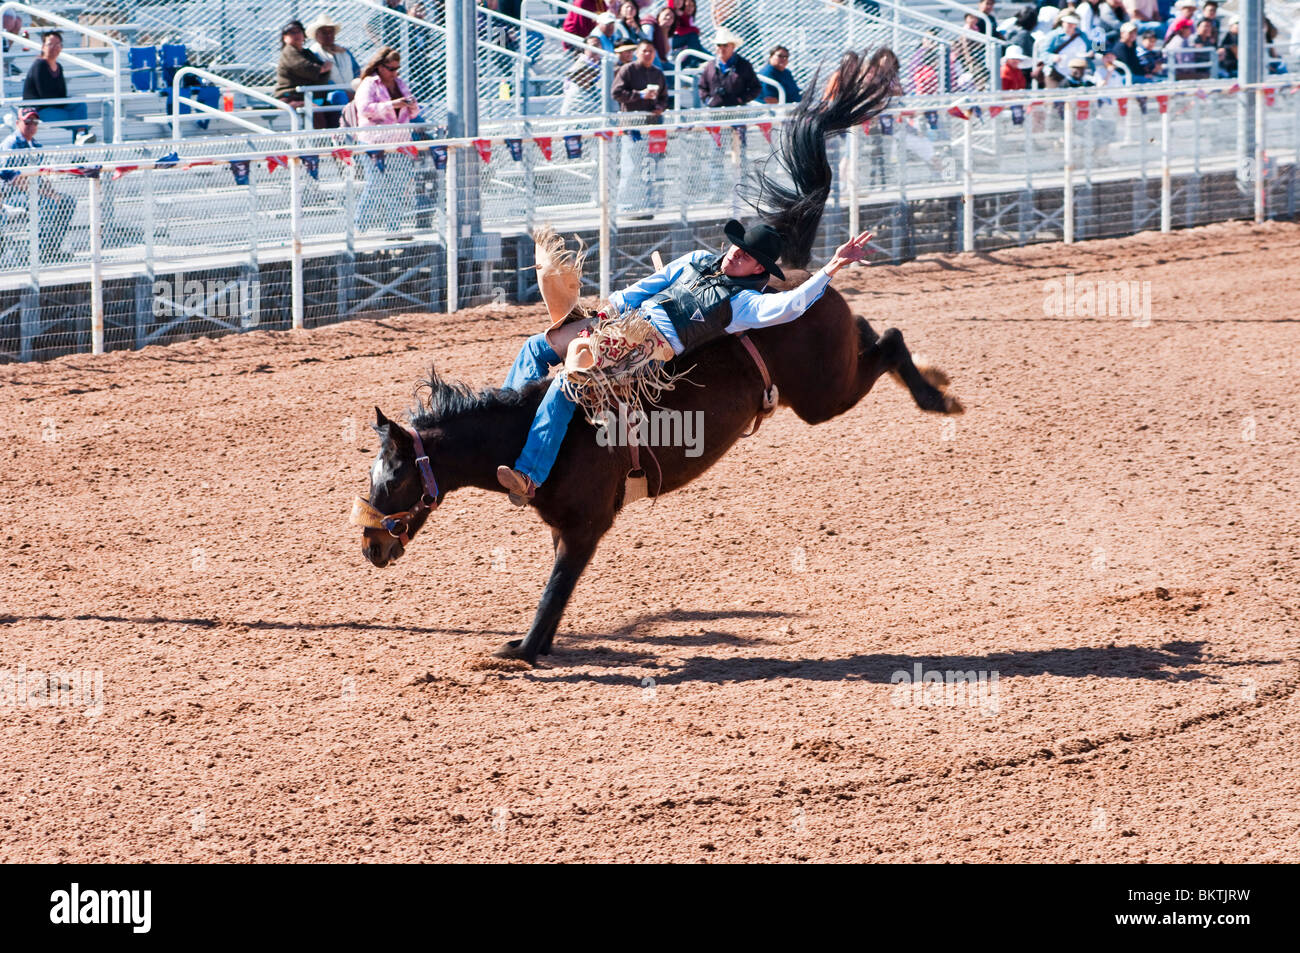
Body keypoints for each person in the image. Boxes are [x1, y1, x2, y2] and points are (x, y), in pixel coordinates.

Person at [495, 223, 878, 504]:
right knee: (535, 346)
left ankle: (530, 477)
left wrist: (832, 268)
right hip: (620, 321)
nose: (735, 253)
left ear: (759, 271)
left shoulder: (744, 305)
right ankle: (504, 418)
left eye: (746, 256)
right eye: (737, 247)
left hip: (650, 347)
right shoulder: (696, 260)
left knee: (570, 384)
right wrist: (610, 306)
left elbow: (790, 305)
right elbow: (651, 284)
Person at [352, 46, 421, 232]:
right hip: (374, 142)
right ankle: (360, 227)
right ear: (380, 67)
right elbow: (365, 109)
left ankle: (394, 228)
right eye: (391, 68)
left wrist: (411, 104)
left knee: (398, 187)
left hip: (400, 143)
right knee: (376, 184)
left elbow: (414, 113)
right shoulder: (369, 84)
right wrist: (392, 104)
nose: (394, 72)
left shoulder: (399, 83)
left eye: (397, 68)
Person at [2, 108, 77, 261]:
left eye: (34, 122)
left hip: (32, 191)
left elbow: (41, 175)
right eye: (27, 121)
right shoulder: (12, 144)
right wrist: (47, 194)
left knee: (67, 201)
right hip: (9, 194)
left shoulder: (36, 146)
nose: (31, 125)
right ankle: (37, 252)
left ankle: (51, 249)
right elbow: (13, 178)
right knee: (47, 203)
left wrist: (53, 192)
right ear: (18, 123)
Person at [613, 39, 667, 217]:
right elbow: (616, 93)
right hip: (633, 128)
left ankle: (647, 204)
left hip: (651, 127)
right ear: (638, 52)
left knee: (649, 167)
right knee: (631, 167)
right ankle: (627, 205)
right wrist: (639, 95)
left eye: (651, 51)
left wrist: (659, 107)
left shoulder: (657, 73)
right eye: (644, 51)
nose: (648, 54)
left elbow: (665, 97)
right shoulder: (628, 70)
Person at [22, 31, 90, 144]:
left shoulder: (59, 67)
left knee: (80, 105)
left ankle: (80, 136)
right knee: (76, 119)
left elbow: (62, 93)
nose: (54, 47)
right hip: (38, 111)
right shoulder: (39, 65)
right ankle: (81, 135)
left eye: (57, 44)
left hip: (55, 105)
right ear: (43, 47)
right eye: (50, 44)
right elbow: (45, 95)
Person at [274, 20, 334, 128]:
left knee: (334, 109)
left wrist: (322, 70)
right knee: (314, 110)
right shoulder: (288, 51)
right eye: (292, 32)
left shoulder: (306, 53)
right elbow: (304, 68)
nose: (296, 35)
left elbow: (322, 72)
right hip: (290, 97)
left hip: (306, 97)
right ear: (284, 37)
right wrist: (322, 69)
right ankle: (320, 142)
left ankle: (338, 139)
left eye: (299, 32)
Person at [696, 27, 760, 107]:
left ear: (733, 47)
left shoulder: (743, 65)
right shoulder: (710, 66)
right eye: (719, 45)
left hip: (737, 112)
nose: (721, 49)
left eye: (725, 45)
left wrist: (741, 99)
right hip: (714, 112)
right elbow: (702, 87)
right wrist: (708, 101)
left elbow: (755, 87)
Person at [560, 34, 605, 113]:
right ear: (585, 48)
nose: (596, 48)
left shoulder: (604, 63)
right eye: (593, 46)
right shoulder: (580, 64)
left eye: (598, 45)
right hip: (576, 108)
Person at [1044, 13, 1090, 87]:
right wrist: (1052, 57)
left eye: (1073, 23)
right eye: (1068, 23)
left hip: (1077, 75)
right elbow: (1043, 53)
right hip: (1056, 74)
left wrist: (1092, 53)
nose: (1071, 26)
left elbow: (1093, 47)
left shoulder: (1083, 35)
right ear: (1062, 23)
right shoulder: (1053, 35)